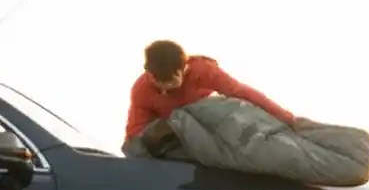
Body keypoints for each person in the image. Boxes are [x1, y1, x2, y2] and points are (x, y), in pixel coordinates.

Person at [123, 40, 299, 156]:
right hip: (174, 136)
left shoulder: (202, 71)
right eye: (160, 83)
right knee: (142, 142)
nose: (166, 87)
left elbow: (240, 91)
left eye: (171, 81)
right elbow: (135, 131)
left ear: (182, 68)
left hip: (204, 125)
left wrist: (283, 115)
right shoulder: (142, 89)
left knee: (208, 115)